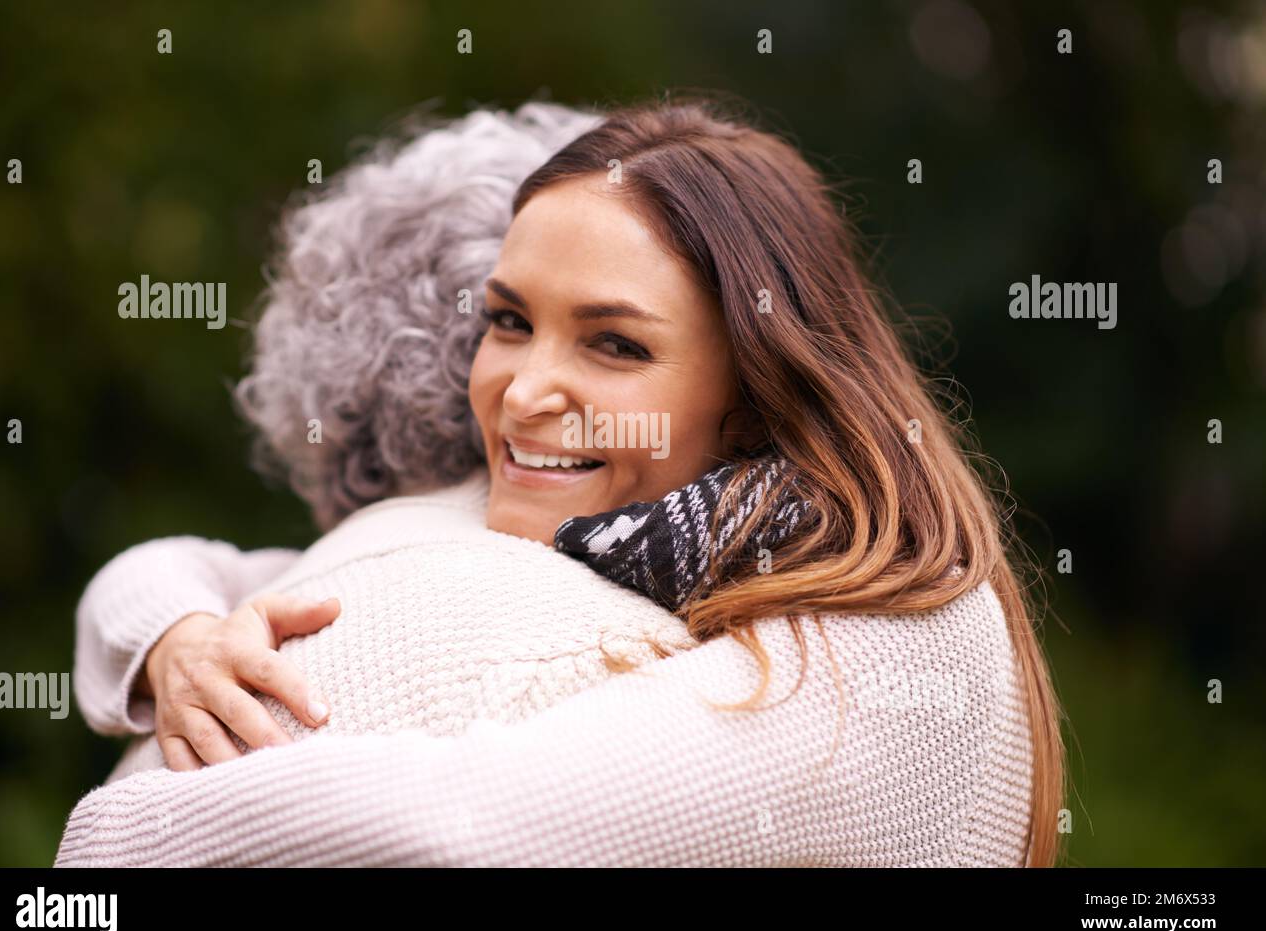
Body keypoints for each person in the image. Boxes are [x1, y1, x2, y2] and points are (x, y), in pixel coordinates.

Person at [55, 94, 1065, 867]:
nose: (523, 391)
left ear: (757, 393)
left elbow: (463, 822)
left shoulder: (897, 638)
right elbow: (186, 569)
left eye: (614, 344)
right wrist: (174, 647)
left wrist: (112, 846)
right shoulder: (614, 525)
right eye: (507, 320)